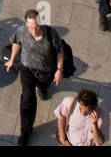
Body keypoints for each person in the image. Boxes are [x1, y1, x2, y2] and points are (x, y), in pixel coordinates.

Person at [6, 9, 68, 146]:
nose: (34, 31)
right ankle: (25, 131)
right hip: (27, 69)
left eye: (37, 27)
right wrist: (12, 59)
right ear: (26, 24)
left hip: (46, 71)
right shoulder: (22, 31)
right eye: (31, 27)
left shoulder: (50, 33)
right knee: (27, 98)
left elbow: (60, 52)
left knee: (43, 87)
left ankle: (42, 89)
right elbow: (16, 42)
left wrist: (59, 70)